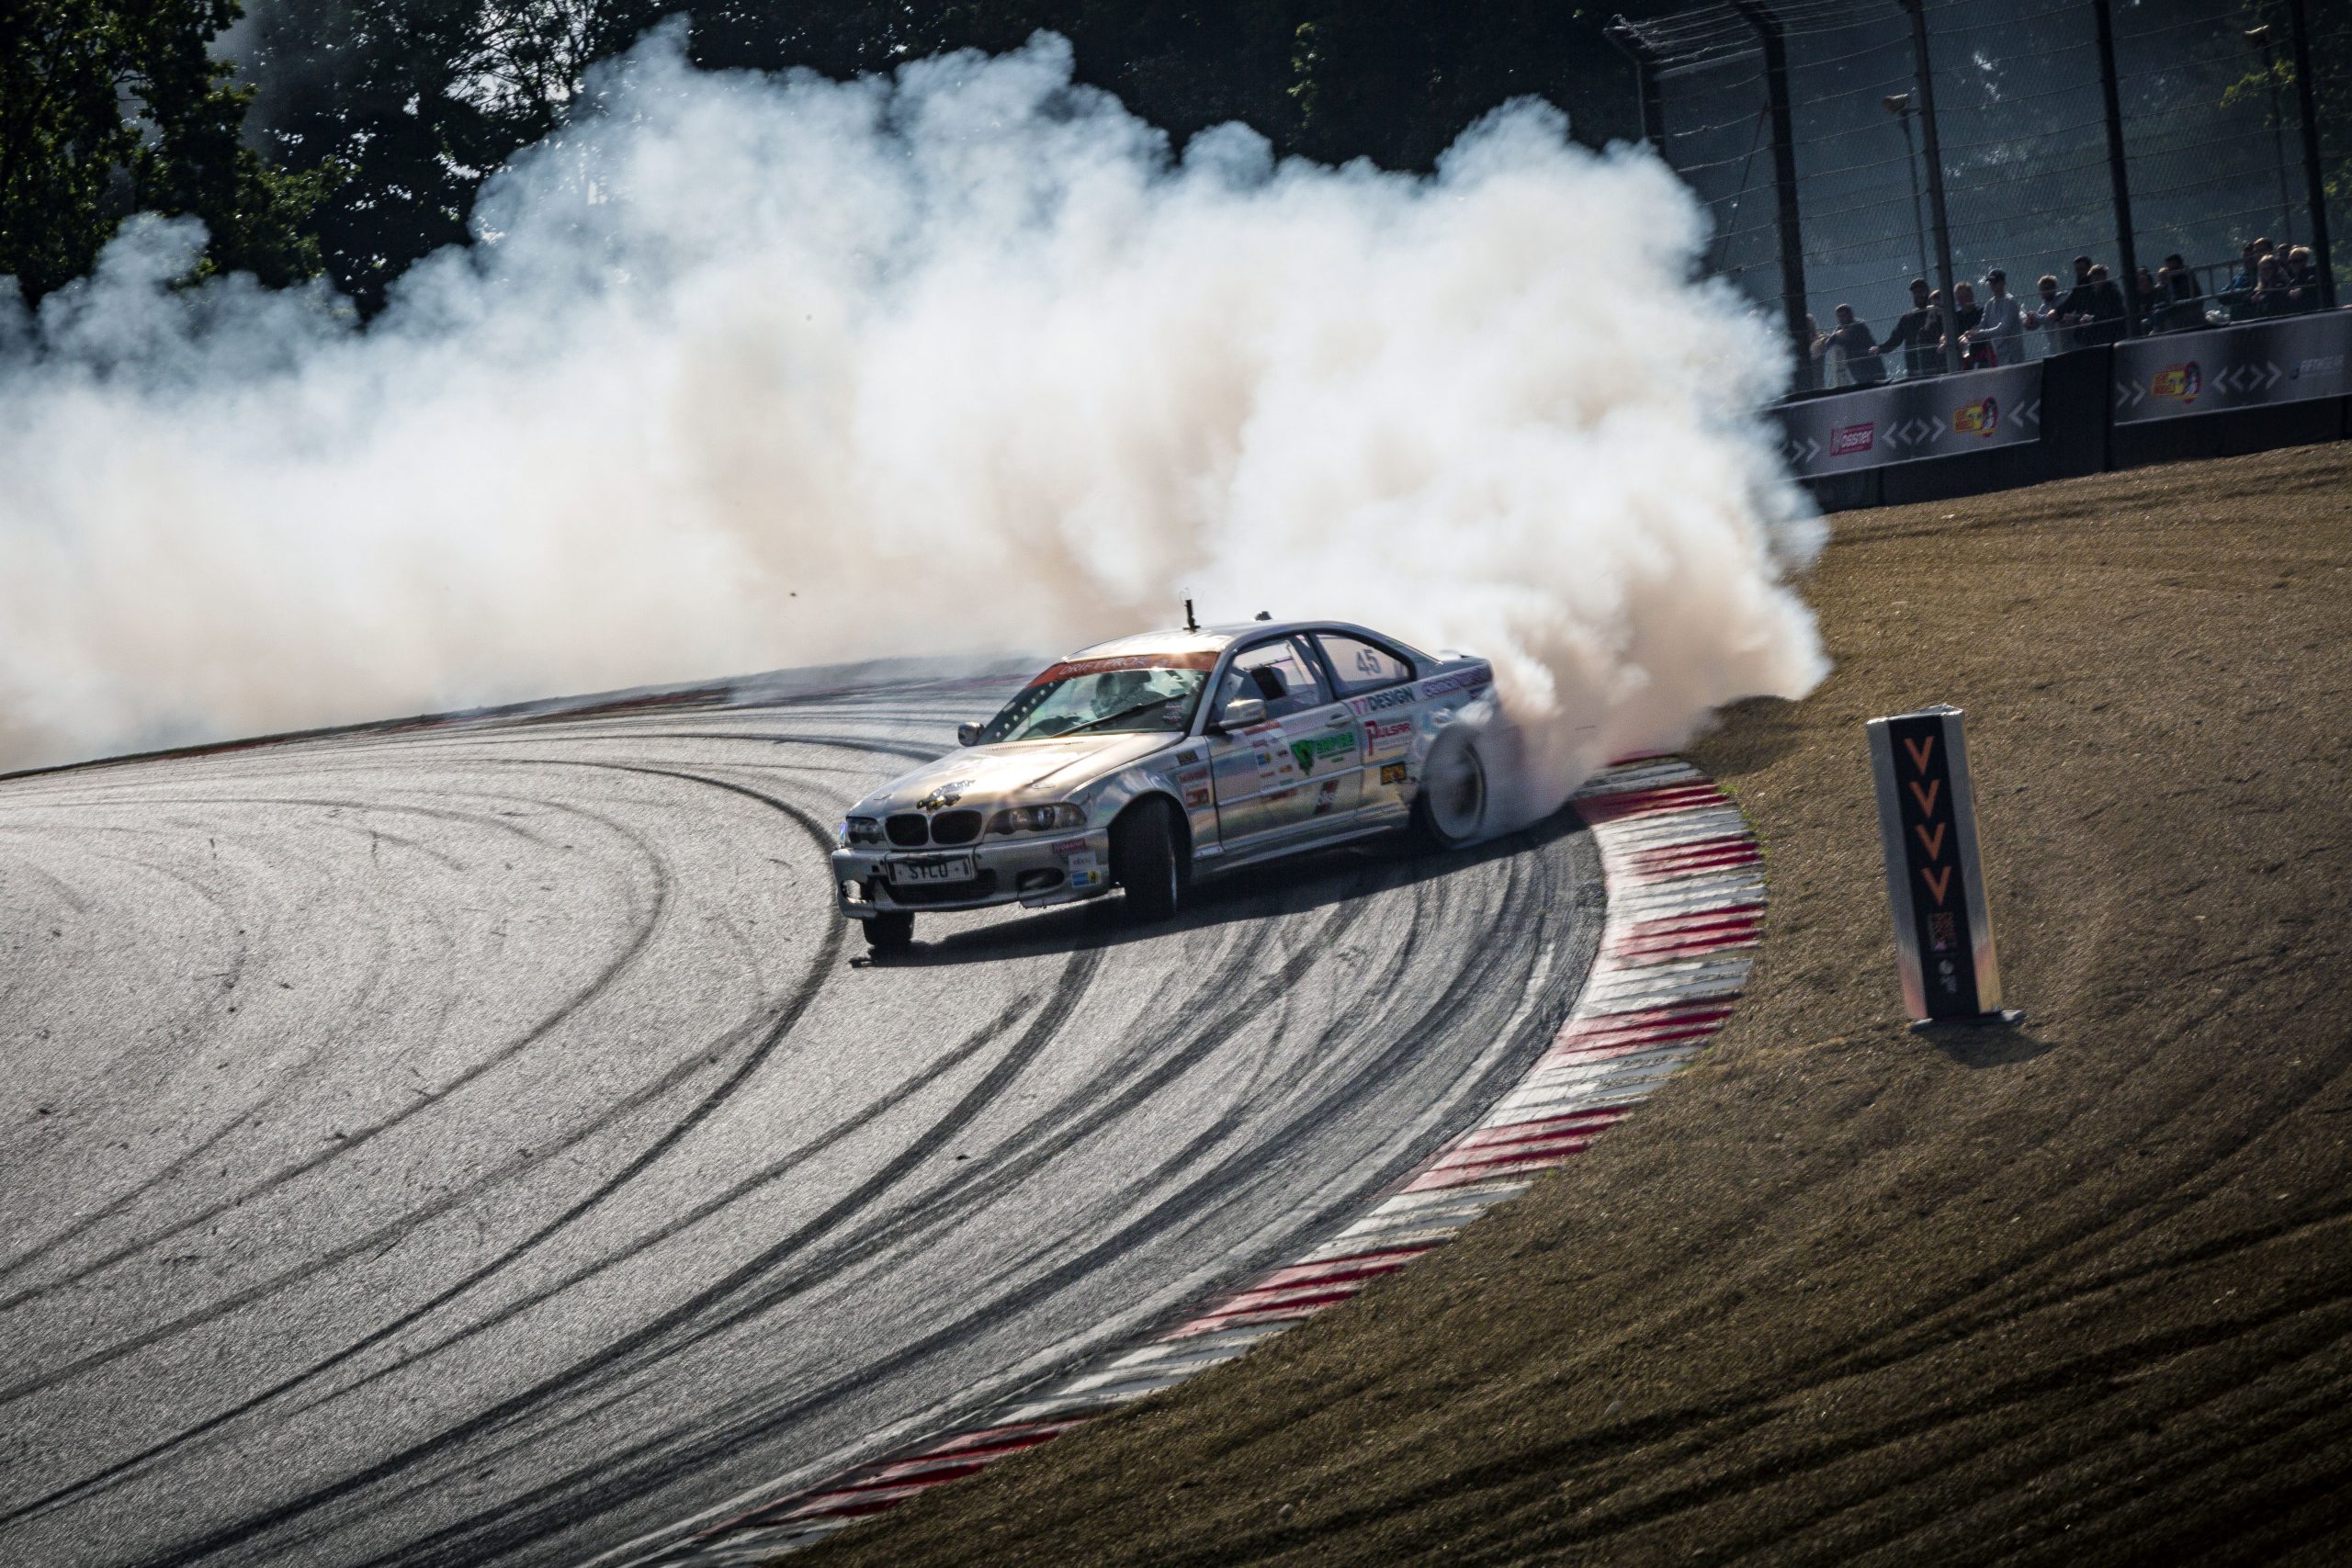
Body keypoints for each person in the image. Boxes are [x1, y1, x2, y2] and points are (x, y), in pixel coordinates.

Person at [1875, 277, 1940, 378]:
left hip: (1938, 368)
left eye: (1921, 291)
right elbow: (1895, 340)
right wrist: (1879, 349)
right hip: (1914, 371)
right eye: (1915, 293)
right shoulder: (1907, 319)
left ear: (1927, 292)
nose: (1918, 295)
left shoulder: (1938, 314)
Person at [1972, 267, 2027, 365]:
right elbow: (1983, 325)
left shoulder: (2009, 301)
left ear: (2002, 283)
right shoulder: (1989, 304)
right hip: (2000, 355)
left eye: (1995, 281)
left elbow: (2003, 328)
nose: (1992, 285)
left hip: (2013, 355)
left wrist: (1980, 332)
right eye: (1990, 282)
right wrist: (1970, 335)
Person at [1824, 304, 1884, 386]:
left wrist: (1835, 335)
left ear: (1850, 315)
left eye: (1844, 315)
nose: (1841, 319)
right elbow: (1828, 343)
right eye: (1839, 316)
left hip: (1871, 365)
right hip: (1857, 368)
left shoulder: (1858, 324)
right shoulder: (1840, 327)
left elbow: (1844, 334)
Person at [1947, 280, 1988, 367]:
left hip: (1982, 357)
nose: (1964, 300)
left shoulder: (1982, 313)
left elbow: (1978, 331)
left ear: (1972, 296)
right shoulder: (1955, 317)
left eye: (1966, 296)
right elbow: (1948, 334)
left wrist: (1966, 337)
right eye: (1960, 298)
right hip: (1963, 359)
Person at [2028, 273, 2068, 355]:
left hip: (2069, 345)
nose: (2043, 292)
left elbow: (2051, 317)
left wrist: (2035, 316)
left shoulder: (2062, 299)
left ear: (2054, 288)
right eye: (2042, 289)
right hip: (2055, 349)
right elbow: (2036, 324)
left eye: (2046, 289)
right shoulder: (2044, 307)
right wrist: (2028, 323)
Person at [2282, 246, 2325, 312]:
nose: (2292, 264)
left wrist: (2303, 290)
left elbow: (2314, 280)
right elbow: (2283, 294)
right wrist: (2289, 293)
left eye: (2296, 261)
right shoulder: (2294, 281)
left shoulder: (2313, 272)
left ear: (2305, 261)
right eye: (2290, 261)